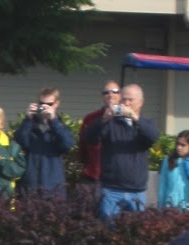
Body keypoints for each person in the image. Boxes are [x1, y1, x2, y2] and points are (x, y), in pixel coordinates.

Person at [80, 83, 159, 220]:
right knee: (107, 226)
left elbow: (153, 137)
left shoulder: (146, 124)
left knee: (136, 227)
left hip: (136, 191)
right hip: (111, 189)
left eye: (130, 100)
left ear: (141, 102)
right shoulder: (110, 123)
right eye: (124, 100)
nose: (126, 104)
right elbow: (90, 138)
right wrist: (103, 119)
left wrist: (135, 118)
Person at [12, 88, 75, 199]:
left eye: (49, 104)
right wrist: (28, 119)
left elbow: (67, 144)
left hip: (53, 188)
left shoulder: (60, 125)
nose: (45, 107)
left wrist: (53, 120)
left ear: (57, 104)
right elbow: (19, 141)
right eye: (42, 104)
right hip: (31, 187)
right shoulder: (30, 125)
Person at [77, 78, 120, 212]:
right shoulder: (91, 118)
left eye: (114, 91)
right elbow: (83, 147)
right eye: (106, 92)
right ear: (102, 97)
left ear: (120, 95)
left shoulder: (127, 119)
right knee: (86, 216)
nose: (110, 95)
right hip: (93, 178)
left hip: (117, 182)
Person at [157, 130, 189, 211]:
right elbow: (163, 184)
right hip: (170, 205)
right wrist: (161, 206)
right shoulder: (168, 160)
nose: (179, 147)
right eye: (178, 144)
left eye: (183, 145)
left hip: (188, 206)